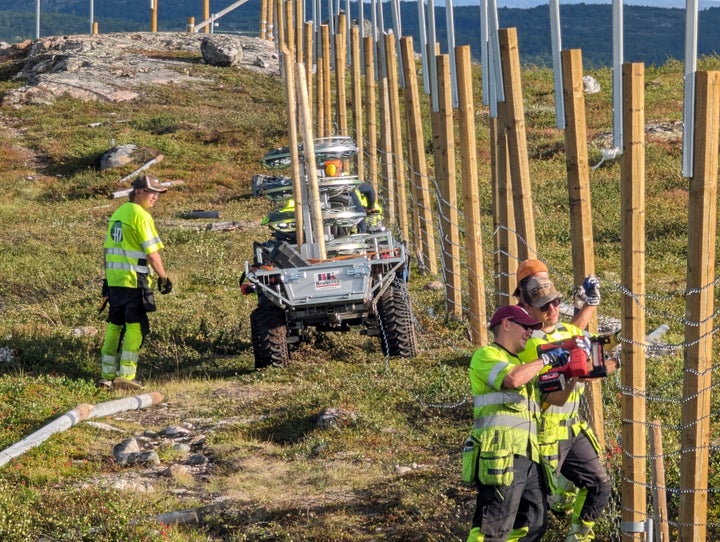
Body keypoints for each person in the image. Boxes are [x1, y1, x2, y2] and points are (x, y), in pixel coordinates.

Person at [465, 304, 581, 542]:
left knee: (534, 523)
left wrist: (572, 375)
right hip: (501, 456)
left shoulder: (523, 365)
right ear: (506, 324)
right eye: (526, 327)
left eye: (532, 329)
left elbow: (555, 400)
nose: (530, 333)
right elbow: (512, 378)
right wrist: (545, 359)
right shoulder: (487, 355)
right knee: (493, 528)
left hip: (529, 456)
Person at [517, 275, 615, 542]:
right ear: (528, 308)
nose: (552, 309)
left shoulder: (564, 331)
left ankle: (578, 537)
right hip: (544, 434)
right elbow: (578, 372)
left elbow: (579, 337)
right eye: (544, 306)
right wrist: (599, 367)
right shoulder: (530, 344)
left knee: (598, 484)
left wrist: (592, 306)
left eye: (556, 302)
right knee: (534, 511)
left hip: (571, 428)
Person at [99, 174, 173, 391]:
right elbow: (152, 253)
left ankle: (106, 375)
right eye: (151, 192)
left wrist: (107, 279)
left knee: (114, 325)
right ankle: (127, 375)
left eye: (158, 194)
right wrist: (163, 277)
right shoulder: (141, 216)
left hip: (115, 281)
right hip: (134, 280)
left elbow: (107, 250)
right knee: (136, 325)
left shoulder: (117, 213)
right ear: (139, 191)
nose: (155, 197)